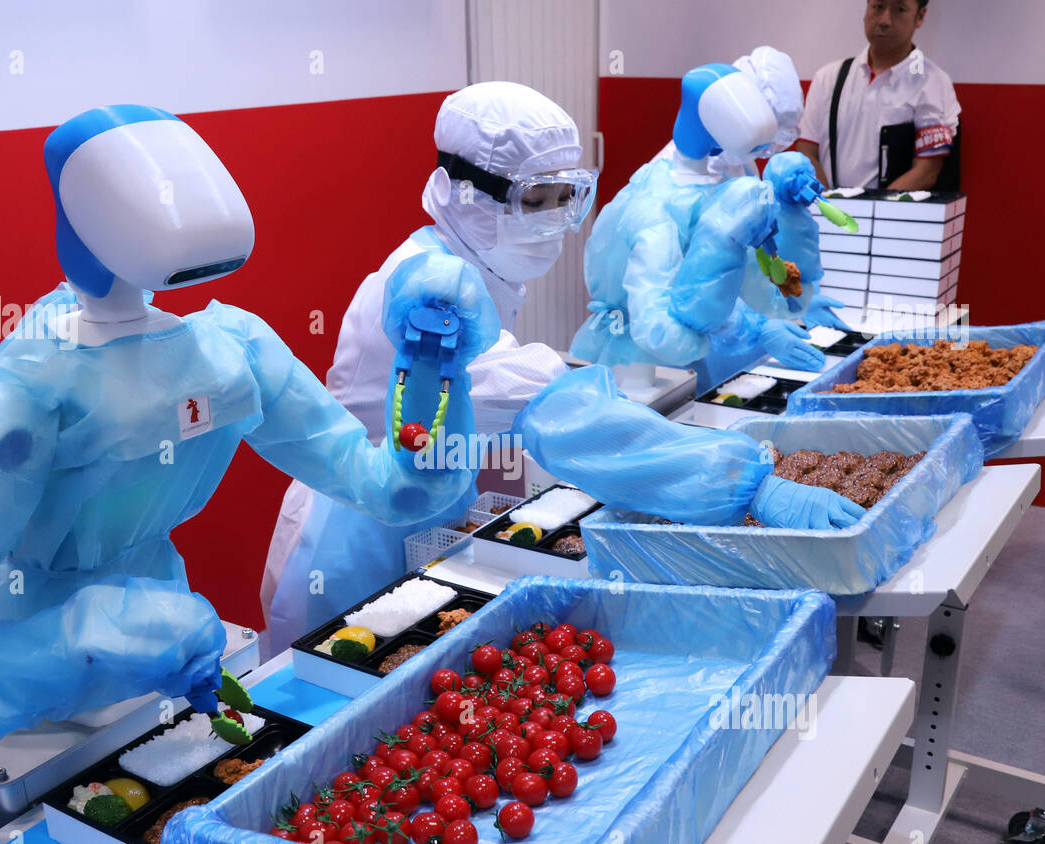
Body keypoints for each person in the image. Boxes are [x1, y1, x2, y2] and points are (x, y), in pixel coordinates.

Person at [0, 105, 482, 753]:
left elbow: (399, 492)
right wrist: (80, 638)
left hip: (176, 675)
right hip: (30, 714)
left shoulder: (230, 354)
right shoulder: (12, 413)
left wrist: (429, 366)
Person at [261, 82, 866, 655]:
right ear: (460, 194)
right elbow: (556, 414)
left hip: (420, 523)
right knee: (339, 718)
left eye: (563, 200)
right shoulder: (428, 291)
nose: (552, 224)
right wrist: (743, 481)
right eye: (534, 202)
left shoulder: (475, 267)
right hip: (349, 548)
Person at [569, 60, 828, 374]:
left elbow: (745, 272)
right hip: (637, 370)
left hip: (686, 367)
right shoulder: (658, 207)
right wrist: (752, 329)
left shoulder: (718, 187)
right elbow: (659, 328)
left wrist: (793, 290)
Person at [795, 0, 960, 191]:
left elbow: (927, 171)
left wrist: (874, 211)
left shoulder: (933, 82)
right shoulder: (828, 78)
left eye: (900, 10)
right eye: (878, 7)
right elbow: (807, 150)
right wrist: (830, 207)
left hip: (894, 216)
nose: (885, 21)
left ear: (920, 16)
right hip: (831, 213)